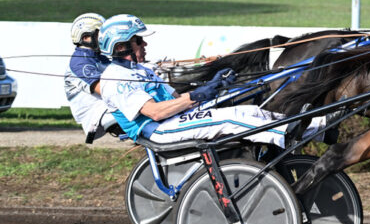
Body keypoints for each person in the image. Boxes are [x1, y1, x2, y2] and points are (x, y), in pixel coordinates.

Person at [97, 14, 327, 148]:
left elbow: (176, 99)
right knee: (232, 118)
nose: (144, 45)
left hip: (175, 119)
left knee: (250, 111)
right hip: (159, 130)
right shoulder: (115, 79)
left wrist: (211, 89)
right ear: (120, 46)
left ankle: (319, 127)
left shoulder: (141, 70)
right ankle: (284, 134)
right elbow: (155, 112)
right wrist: (195, 95)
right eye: (138, 41)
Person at [64, 12, 118, 142]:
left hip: (109, 106)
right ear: (87, 37)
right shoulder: (79, 62)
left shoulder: (100, 57)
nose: (106, 39)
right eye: (101, 35)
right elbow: (103, 89)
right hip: (96, 114)